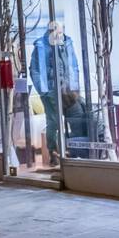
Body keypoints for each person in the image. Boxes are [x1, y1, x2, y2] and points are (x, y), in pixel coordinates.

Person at [28, 20, 81, 166]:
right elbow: (34, 70)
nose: (58, 34)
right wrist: (43, 89)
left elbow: (73, 65)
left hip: (68, 89)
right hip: (49, 90)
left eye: (59, 31)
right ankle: (54, 153)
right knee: (53, 121)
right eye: (54, 31)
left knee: (76, 116)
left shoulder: (67, 43)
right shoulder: (40, 46)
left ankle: (76, 149)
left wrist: (75, 86)